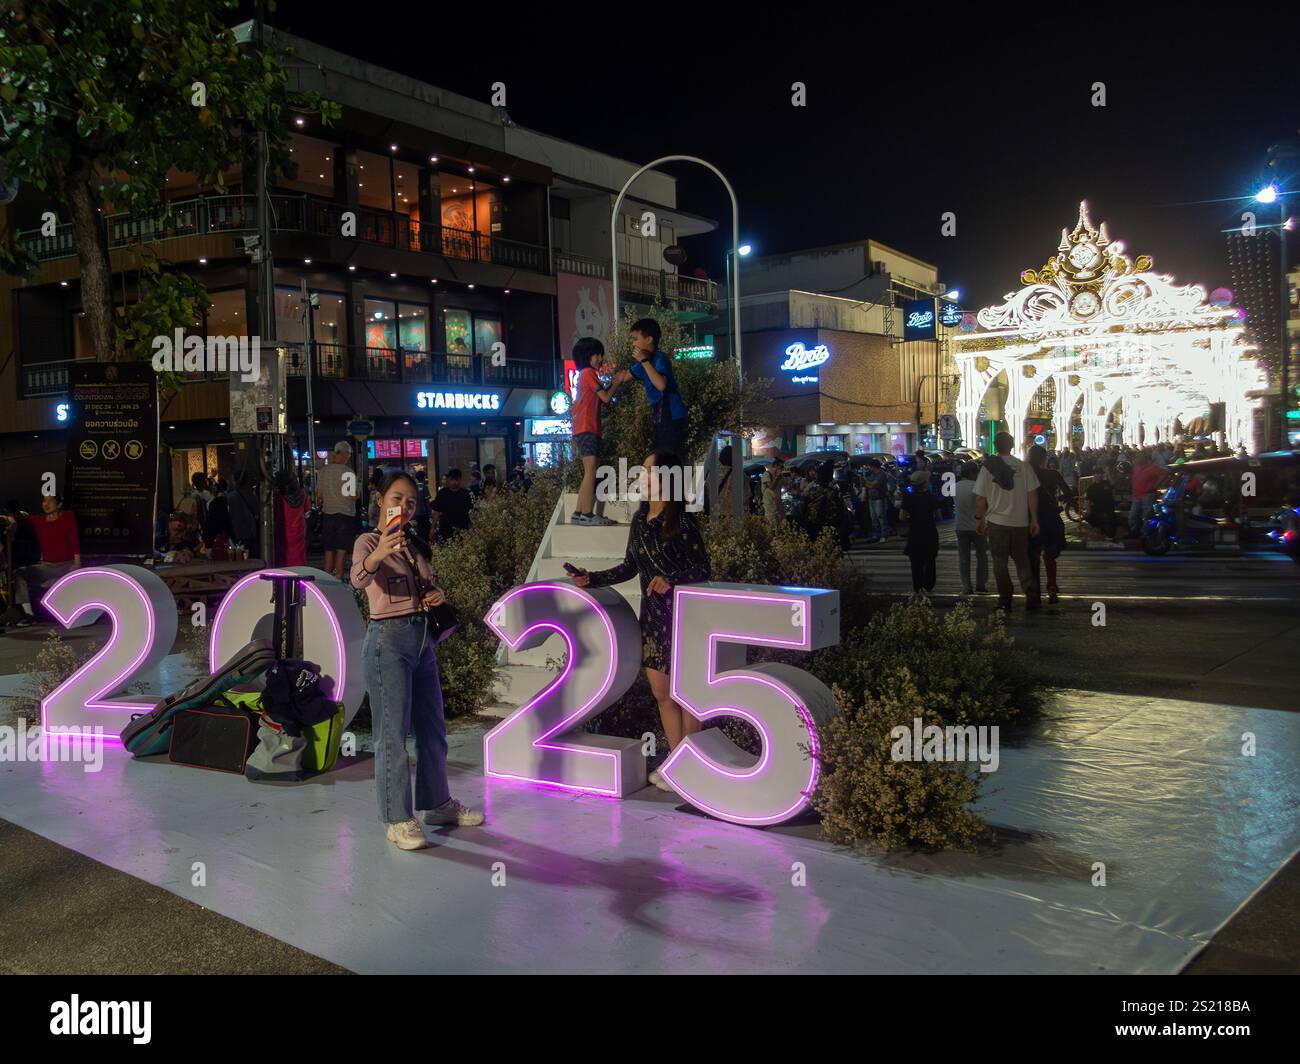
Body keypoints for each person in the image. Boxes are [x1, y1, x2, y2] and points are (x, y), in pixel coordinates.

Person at [351, 471, 484, 851]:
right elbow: (359, 578)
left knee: (433, 729)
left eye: (411, 501)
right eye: (397, 498)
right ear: (380, 500)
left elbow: (427, 585)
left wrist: (436, 593)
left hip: (422, 638)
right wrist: (380, 552)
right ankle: (396, 819)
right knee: (392, 735)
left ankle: (437, 803)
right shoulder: (368, 540)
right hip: (387, 642)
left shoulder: (414, 543)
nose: (405, 507)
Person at [571, 452, 711, 791]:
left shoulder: (683, 521)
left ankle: (695, 766)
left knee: (687, 695)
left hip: (684, 617)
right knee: (663, 694)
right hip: (652, 619)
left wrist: (671, 579)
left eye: (649, 472)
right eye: (642, 472)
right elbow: (629, 566)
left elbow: (703, 570)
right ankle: (677, 764)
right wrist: (592, 578)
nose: (642, 478)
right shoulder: (639, 521)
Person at [974, 432, 1040, 613]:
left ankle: (1005, 598)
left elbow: (980, 498)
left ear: (995, 446)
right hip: (1020, 522)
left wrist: (979, 519)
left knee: (999, 561)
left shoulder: (987, 468)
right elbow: (1032, 494)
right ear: (1012, 445)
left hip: (996, 522)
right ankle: (1030, 591)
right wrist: (1034, 519)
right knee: (1022, 560)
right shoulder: (1024, 467)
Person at [569, 336, 628, 526]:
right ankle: (587, 514)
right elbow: (605, 397)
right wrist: (617, 381)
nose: (600, 358)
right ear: (588, 356)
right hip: (588, 427)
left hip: (583, 427)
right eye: (597, 355)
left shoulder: (584, 374)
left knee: (589, 471)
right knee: (591, 471)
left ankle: (578, 513)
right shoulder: (588, 372)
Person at [1, 496, 79, 629]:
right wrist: (10, 518)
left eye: (50, 501)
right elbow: (19, 517)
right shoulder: (39, 520)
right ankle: (29, 615)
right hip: (46, 565)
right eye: (44, 501)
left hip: (66, 564)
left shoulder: (67, 516)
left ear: (59, 505)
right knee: (19, 574)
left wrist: (77, 563)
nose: (46, 504)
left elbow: (74, 538)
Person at [628, 318, 689, 457]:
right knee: (660, 459)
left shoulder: (659, 359)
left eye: (636, 339)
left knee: (665, 460)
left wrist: (643, 361)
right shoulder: (645, 363)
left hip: (672, 417)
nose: (634, 343)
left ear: (649, 339)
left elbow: (661, 384)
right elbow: (624, 376)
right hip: (661, 418)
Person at [1027, 444, 1069, 604]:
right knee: (1050, 555)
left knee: (1034, 553)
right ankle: (1052, 586)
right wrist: (1057, 501)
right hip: (1050, 518)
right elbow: (1068, 493)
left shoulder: (1026, 473)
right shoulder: (1053, 474)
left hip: (1031, 517)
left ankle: (1033, 588)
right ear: (1044, 459)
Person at [316, 441, 359, 580]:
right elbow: (354, 495)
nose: (349, 457)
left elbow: (319, 494)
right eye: (349, 454)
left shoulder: (323, 471)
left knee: (329, 549)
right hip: (345, 515)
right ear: (344, 454)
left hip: (328, 514)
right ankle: (338, 578)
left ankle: (326, 578)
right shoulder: (349, 472)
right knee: (341, 550)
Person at [900, 469, 940, 594]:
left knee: (916, 562)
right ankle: (928, 586)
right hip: (929, 532)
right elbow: (939, 517)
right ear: (924, 483)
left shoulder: (908, 498)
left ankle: (918, 587)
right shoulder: (931, 498)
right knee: (930, 561)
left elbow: (901, 516)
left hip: (914, 532)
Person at [953, 462, 988, 596]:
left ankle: (967, 586)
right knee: (981, 556)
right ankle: (981, 584)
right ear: (973, 473)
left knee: (964, 558)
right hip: (977, 526)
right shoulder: (977, 487)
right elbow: (984, 506)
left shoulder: (954, 487)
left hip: (960, 526)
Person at [274, 469, 310, 567]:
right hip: (299, 530)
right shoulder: (303, 494)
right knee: (298, 557)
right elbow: (307, 511)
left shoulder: (277, 496)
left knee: (283, 556)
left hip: (283, 530)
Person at [1129, 452, 1167, 537]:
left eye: (1138, 457)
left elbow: (1165, 473)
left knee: (1147, 516)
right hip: (1137, 495)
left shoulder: (1152, 468)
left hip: (1147, 495)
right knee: (1133, 515)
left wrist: (1156, 485)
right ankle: (1135, 533)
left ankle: (1146, 534)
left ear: (1144, 458)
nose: (1136, 459)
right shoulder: (1136, 467)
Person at [430, 468, 472, 540]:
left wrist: (472, 528)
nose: (455, 482)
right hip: (446, 528)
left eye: (457, 479)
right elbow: (436, 511)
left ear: (460, 480)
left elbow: (470, 512)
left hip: (462, 528)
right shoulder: (442, 493)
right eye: (452, 479)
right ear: (448, 480)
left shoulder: (465, 493)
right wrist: (433, 528)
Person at [227, 471, 260, 558]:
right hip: (250, 533)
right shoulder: (252, 496)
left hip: (235, 533)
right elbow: (257, 513)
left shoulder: (230, 497)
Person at [863, 460, 891, 542]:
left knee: (881, 517)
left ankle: (884, 535)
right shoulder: (872, 474)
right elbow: (868, 485)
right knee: (874, 518)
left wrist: (867, 483)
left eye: (870, 466)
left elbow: (873, 485)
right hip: (871, 498)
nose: (869, 468)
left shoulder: (881, 474)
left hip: (879, 498)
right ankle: (876, 535)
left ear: (873, 466)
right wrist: (868, 483)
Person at [761, 457, 788, 524]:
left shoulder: (780, 476)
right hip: (770, 503)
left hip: (778, 502)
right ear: (775, 466)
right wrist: (777, 477)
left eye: (783, 467)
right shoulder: (767, 474)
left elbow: (787, 486)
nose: (782, 469)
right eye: (781, 467)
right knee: (772, 521)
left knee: (782, 521)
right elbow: (771, 487)